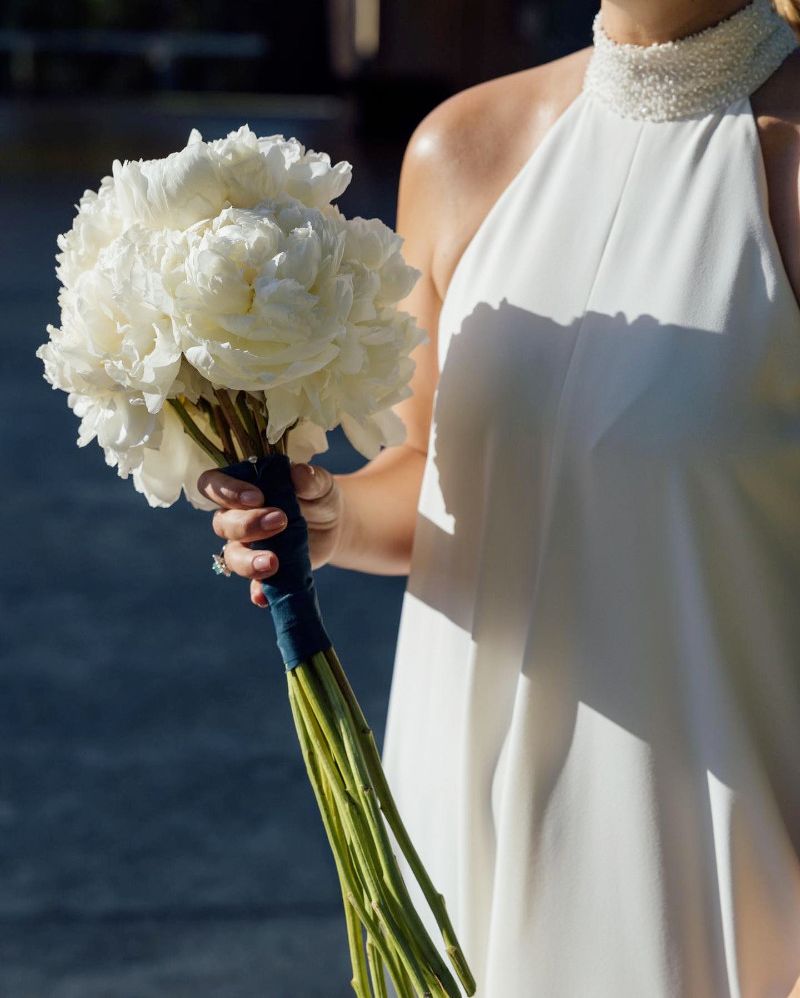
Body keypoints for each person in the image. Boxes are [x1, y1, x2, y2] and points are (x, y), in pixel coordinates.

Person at [198, 1, 800, 993]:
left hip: (719, 867)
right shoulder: (457, 150)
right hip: (465, 834)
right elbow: (428, 472)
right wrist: (324, 516)